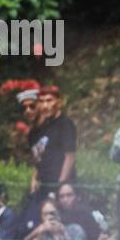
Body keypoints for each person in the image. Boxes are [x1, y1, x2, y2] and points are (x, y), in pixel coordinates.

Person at [26, 85, 77, 226]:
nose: (45, 105)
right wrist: (34, 178)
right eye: (42, 101)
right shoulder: (42, 127)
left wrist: (59, 185)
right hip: (43, 184)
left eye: (49, 101)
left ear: (59, 102)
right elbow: (38, 157)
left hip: (61, 185)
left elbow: (70, 157)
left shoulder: (65, 124)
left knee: (61, 222)